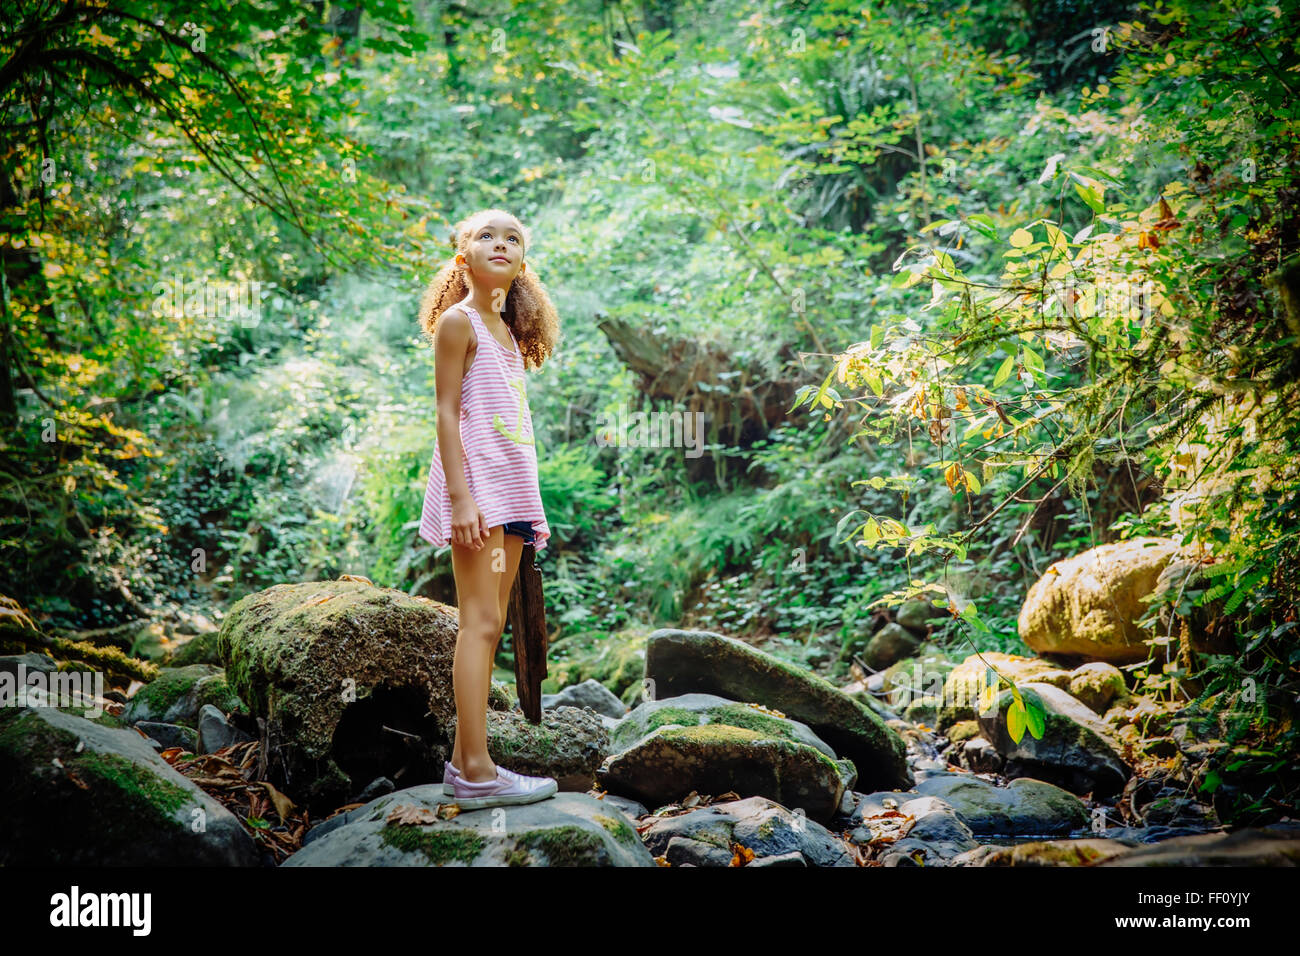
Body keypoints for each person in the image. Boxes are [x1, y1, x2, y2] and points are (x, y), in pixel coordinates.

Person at [416, 208, 559, 809]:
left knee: (490, 625)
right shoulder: (460, 322)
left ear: (522, 263)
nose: (499, 243)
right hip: (476, 494)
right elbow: (447, 413)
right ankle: (477, 770)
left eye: (513, 238)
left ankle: (463, 762)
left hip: (512, 493)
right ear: (462, 259)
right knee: (476, 624)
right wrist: (459, 497)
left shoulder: (508, 334)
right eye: (485, 236)